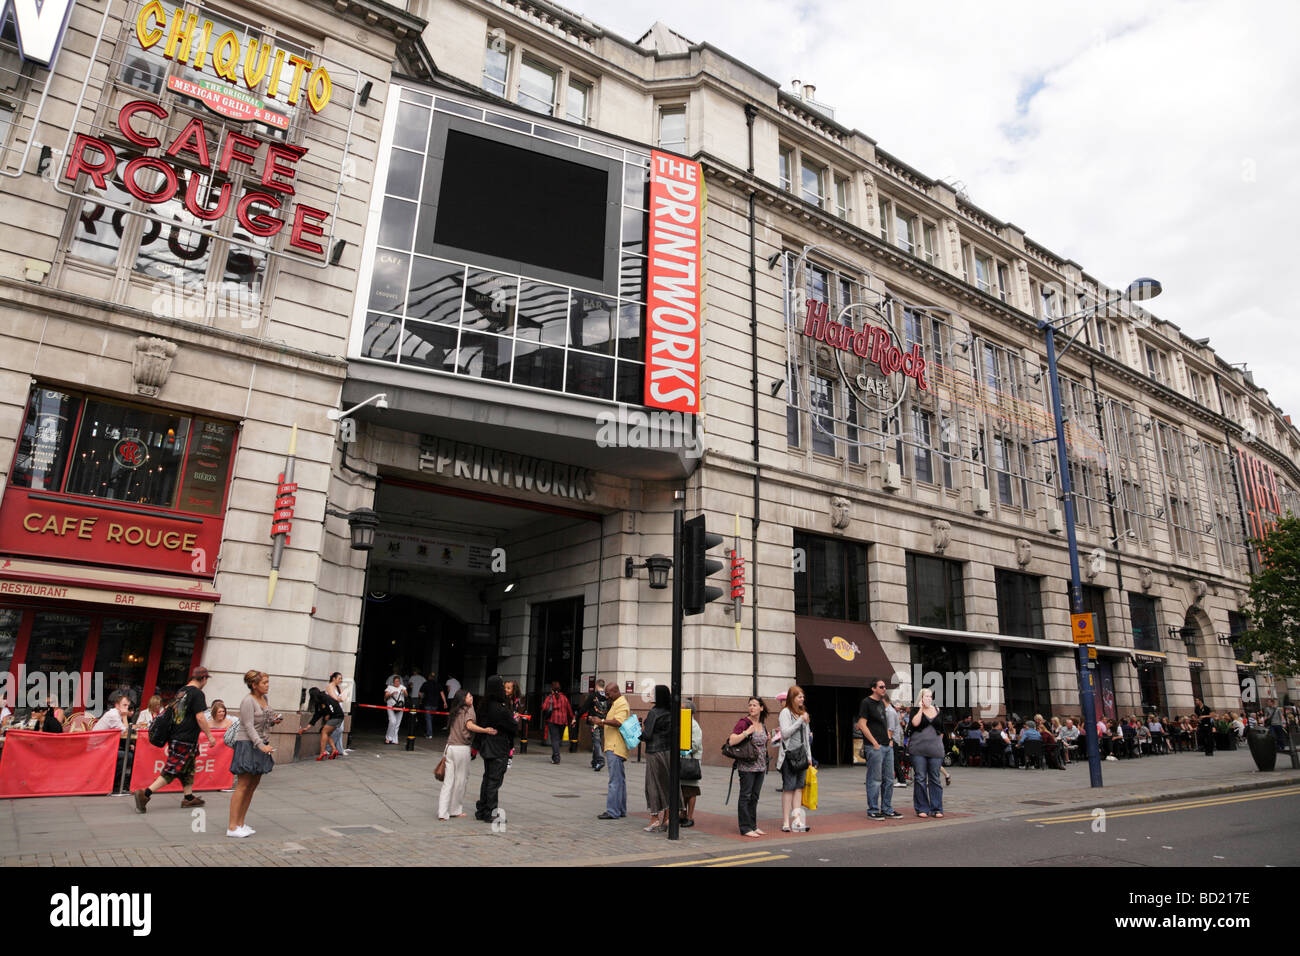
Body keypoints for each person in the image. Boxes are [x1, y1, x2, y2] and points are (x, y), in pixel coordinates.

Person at [133, 666, 217, 813]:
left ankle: (189, 798)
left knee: (188, 769)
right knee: (172, 770)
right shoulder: (197, 694)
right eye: (206, 679)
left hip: (177, 736)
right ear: (203, 679)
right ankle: (145, 794)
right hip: (186, 738)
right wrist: (210, 736)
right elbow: (200, 717)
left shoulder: (181, 691)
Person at [226, 669, 280, 838]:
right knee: (242, 785)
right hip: (248, 745)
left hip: (261, 744)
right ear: (254, 685)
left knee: (252, 786)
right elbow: (248, 726)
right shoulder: (248, 701)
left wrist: (274, 720)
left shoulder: (264, 699)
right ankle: (232, 826)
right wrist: (260, 745)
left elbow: (264, 721)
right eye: (264, 683)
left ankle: (241, 823)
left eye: (268, 682)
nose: (267, 685)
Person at [438, 689, 493, 821]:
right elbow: (470, 726)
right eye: (469, 696)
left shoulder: (456, 710)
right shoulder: (469, 709)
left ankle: (442, 812)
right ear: (464, 699)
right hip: (461, 748)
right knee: (460, 781)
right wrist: (485, 730)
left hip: (449, 748)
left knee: (448, 782)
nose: (472, 697)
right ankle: (455, 810)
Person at [473, 676, 516, 823]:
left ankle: (482, 809)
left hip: (487, 746)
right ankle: (490, 812)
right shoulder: (500, 708)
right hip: (499, 747)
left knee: (487, 778)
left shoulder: (484, 705)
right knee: (494, 780)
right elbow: (513, 727)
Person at [857, 677, 901, 819]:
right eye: (881, 687)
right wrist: (874, 742)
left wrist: (889, 740)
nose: (884, 689)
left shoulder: (882, 703)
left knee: (889, 779)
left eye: (884, 687)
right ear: (873, 688)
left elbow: (886, 723)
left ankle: (887, 808)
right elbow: (862, 724)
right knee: (875, 779)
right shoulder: (866, 703)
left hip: (886, 745)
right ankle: (873, 809)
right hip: (874, 747)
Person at [729, 696, 769, 837]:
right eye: (750, 705)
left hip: (760, 766)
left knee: (755, 797)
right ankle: (745, 827)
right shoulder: (744, 722)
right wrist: (746, 732)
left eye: (755, 705)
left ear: (761, 708)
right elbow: (732, 740)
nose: (751, 707)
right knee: (745, 796)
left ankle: (753, 825)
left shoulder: (762, 724)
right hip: (747, 767)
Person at [778, 684, 813, 832]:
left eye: (803, 696)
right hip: (789, 755)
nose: (802, 699)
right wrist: (800, 721)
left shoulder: (803, 713)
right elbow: (785, 733)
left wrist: (809, 756)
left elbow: (806, 737)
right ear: (792, 698)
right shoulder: (785, 713)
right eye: (799, 697)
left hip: (802, 755)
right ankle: (786, 821)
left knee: (799, 788)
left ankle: (797, 819)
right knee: (789, 788)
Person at [595, 679, 630, 820]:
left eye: (609, 694)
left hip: (615, 747)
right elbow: (613, 723)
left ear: (616, 691)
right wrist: (600, 722)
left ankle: (613, 811)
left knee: (615, 781)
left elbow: (618, 722)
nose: (607, 696)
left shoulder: (621, 703)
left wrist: (602, 721)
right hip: (615, 746)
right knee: (619, 780)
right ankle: (620, 809)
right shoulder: (616, 703)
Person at [909, 688, 945, 818]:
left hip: (935, 750)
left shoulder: (938, 710)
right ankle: (922, 808)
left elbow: (941, 731)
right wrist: (920, 709)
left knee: (935, 778)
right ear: (921, 698)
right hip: (918, 749)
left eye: (930, 696)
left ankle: (937, 808)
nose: (929, 698)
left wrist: (939, 746)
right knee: (920, 778)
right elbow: (915, 723)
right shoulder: (915, 710)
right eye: (926, 696)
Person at [641, 684, 673, 832]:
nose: (651, 694)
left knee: (652, 784)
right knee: (667, 784)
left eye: (654, 692)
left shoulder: (654, 712)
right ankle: (667, 818)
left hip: (655, 751)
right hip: (668, 752)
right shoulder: (672, 710)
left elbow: (647, 735)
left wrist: (638, 731)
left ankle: (654, 819)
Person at [679, 697, 703, 828]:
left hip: (691, 762)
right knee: (682, 790)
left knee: (691, 790)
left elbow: (695, 744)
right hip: (683, 761)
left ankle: (690, 816)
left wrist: (683, 749)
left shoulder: (694, 725)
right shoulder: (683, 723)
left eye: (682, 708)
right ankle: (682, 814)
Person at [578, 679, 609, 771]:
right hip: (603, 722)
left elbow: (584, 708)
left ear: (596, 685)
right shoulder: (607, 697)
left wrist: (576, 717)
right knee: (598, 741)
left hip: (594, 721)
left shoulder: (593, 695)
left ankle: (600, 760)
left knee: (596, 741)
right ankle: (594, 761)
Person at [541, 681, 575, 765]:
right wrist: (573, 718)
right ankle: (555, 756)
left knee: (554, 739)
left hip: (553, 720)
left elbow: (544, 707)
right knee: (558, 739)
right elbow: (569, 709)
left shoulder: (550, 698)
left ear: (551, 689)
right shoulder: (564, 698)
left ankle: (556, 758)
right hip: (563, 721)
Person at [325, 672, 349, 755]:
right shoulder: (329, 686)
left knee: (340, 730)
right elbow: (335, 698)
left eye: (341, 679)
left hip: (339, 711)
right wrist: (341, 697)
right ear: (333, 678)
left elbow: (342, 697)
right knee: (338, 729)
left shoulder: (338, 688)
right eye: (339, 678)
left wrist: (343, 696)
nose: (340, 680)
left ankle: (339, 748)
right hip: (333, 711)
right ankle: (328, 747)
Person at [384, 675, 406, 745]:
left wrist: (404, 691)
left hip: (400, 707)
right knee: (392, 721)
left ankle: (394, 739)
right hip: (391, 706)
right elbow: (385, 696)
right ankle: (388, 737)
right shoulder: (389, 687)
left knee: (397, 723)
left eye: (398, 681)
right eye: (396, 682)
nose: (397, 683)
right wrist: (391, 694)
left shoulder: (402, 687)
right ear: (393, 682)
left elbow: (406, 695)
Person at [420, 673, 439, 738]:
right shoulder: (437, 684)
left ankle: (429, 734)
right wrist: (445, 702)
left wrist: (420, 700)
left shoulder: (425, 684)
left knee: (428, 719)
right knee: (430, 719)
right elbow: (442, 693)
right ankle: (427, 731)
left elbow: (420, 693)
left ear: (429, 677)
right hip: (435, 705)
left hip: (427, 704)